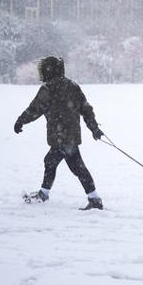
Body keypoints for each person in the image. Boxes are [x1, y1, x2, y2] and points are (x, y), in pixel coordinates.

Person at [13, 56, 105, 210]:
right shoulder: (73, 86)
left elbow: (35, 109)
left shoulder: (48, 89)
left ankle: (92, 199)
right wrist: (93, 128)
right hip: (70, 135)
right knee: (61, 164)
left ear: (49, 70)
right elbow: (86, 109)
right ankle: (90, 197)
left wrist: (21, 121)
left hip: (60, 135)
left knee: (61, 164)